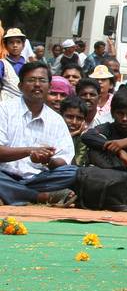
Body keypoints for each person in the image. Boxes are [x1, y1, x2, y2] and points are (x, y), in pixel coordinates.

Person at [0, 61, 78, 207]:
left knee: (73, 172)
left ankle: (9, 194)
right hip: (4, 173)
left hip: (38, 179)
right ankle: (40, 197)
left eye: (42, 80)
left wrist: (47, 160)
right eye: (31, 80)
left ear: (49, 86)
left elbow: (63, 160)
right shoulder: (4, 110)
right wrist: (29, 151)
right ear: (20, 86)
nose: (37, 84)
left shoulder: (56, 120)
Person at [81, 85, 127, 172]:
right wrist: (119, 151)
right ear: (112, 113)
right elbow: (87, 136)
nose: (124, 118)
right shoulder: (107, 128)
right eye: (120, 113)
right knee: (94, 149)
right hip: (109, 173)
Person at [59, 95, 89, 166]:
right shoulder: (51, 130)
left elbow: (77, 164)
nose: (74, 122)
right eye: (69, 117)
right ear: (60, 116)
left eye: (79, 118)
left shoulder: (83, 139)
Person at [1, 28, 28, 101]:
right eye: (11, 42)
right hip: (6, 100)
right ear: (5, 45)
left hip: (24, 101)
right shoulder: (2, 64)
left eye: (18, 42)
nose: (15, 45)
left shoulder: (27, 64)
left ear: (23, 45)